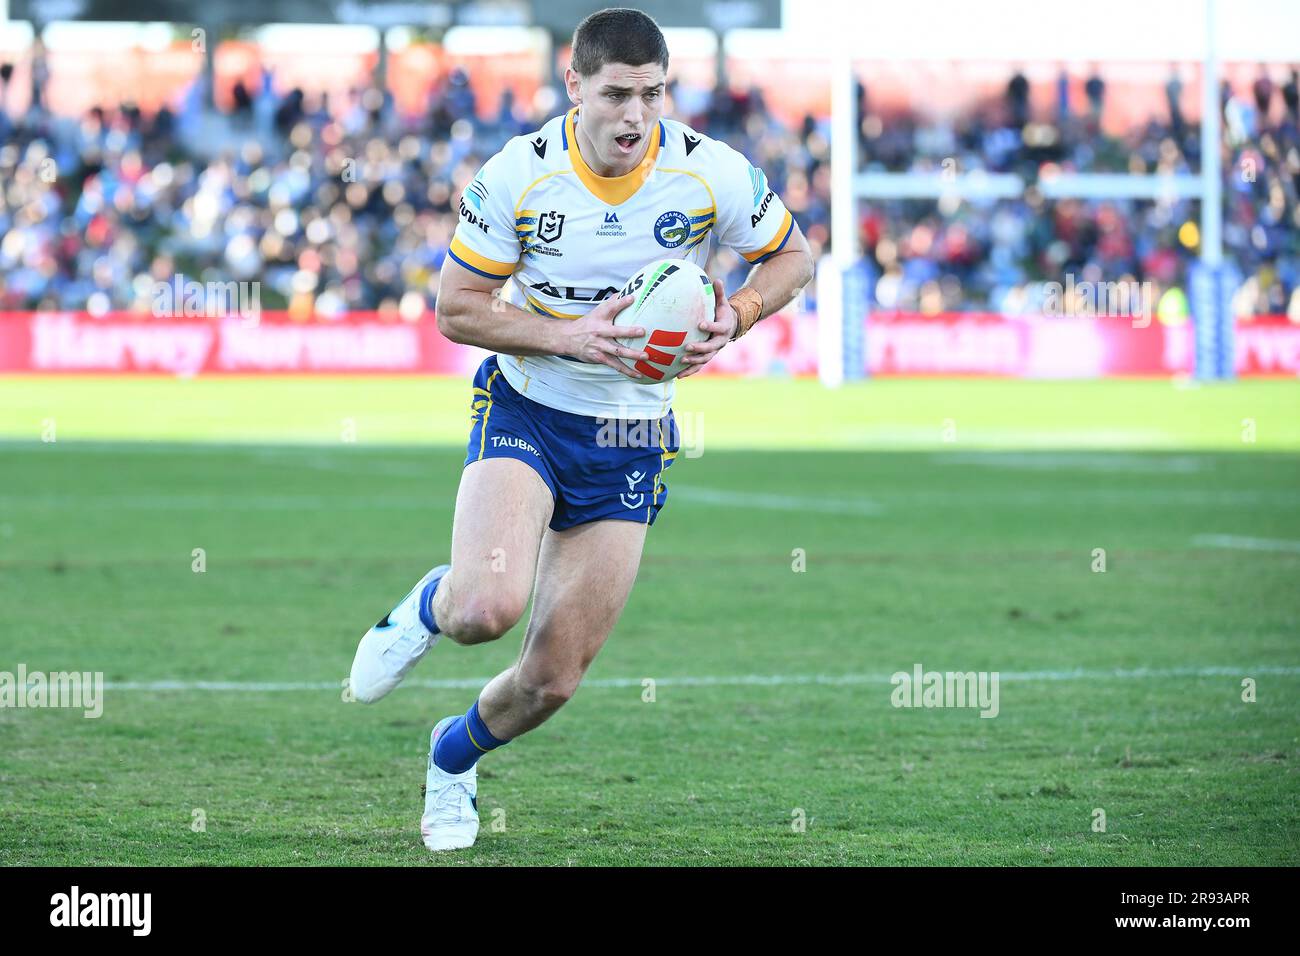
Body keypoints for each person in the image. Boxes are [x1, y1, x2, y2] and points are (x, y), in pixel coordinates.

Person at [348, 6, 813, 851]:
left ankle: (451, 759)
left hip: (632, 436)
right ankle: (430, 605)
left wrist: (737, 314)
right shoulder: (519, 175)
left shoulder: (712, 172)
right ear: (574, 86)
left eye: (653, 94)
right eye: (617, 95)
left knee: (553, 680)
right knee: (486, 607)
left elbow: (794, 257)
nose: (636, 115)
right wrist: (569, 335)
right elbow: (456, 307)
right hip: (529, 406)